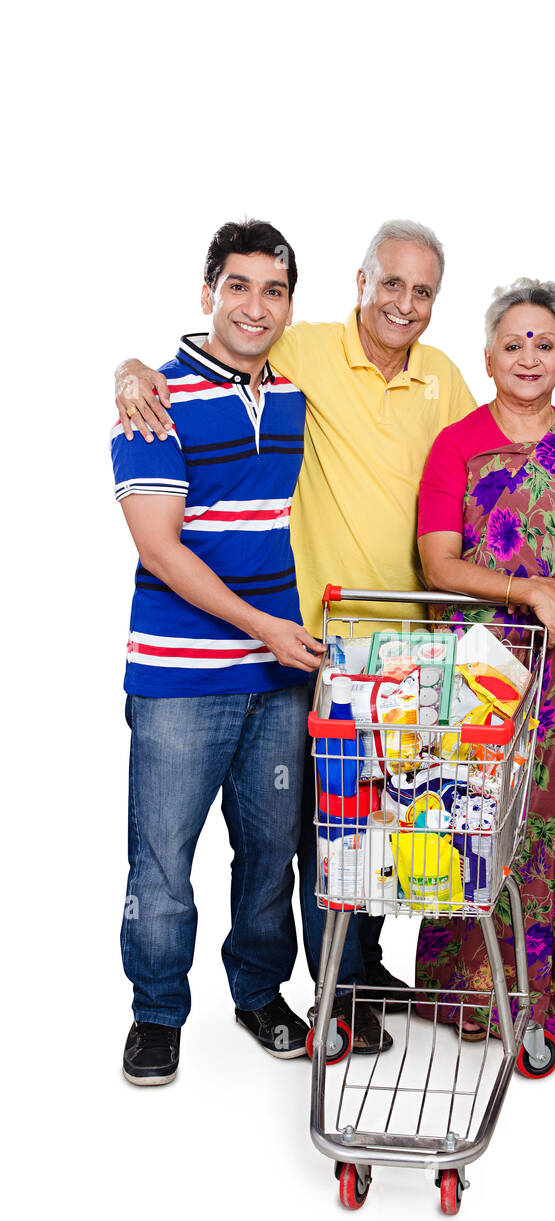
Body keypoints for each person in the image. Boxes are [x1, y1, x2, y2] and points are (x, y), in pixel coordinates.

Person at [114, 222, 555, 1052]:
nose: (404, 304)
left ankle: (348, 975)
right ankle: (180, 1010)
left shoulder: (440, 376)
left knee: (369, 827)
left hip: (412, 652)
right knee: (253, 837)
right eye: (391, 284)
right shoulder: (303, 350)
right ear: (360, 282)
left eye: (422, 292)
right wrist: (130, 370)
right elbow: (219, 352)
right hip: (310, 639)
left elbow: (495, 445)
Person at [112, 219, 325, 1086]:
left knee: (270, 851)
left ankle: (259, 992)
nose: (255, 305)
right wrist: (268, 627)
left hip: (278, 680)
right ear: (209, 294)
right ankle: (157, 1011)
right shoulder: (152, 402)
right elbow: (162, 549)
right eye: (238, 286)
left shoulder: (296, 395)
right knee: (163, 859)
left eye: (273, 290)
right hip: (179, 678)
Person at [413, 279, 555, 1044]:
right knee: (478, 822)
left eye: (544, 343)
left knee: (551, 823)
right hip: (484, 672)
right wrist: (527, 589)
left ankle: (551, 993)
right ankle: (471, 993)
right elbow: (438, 563)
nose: (529, 356)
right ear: (488, 358)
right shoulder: (458, 444)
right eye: (513, 344)